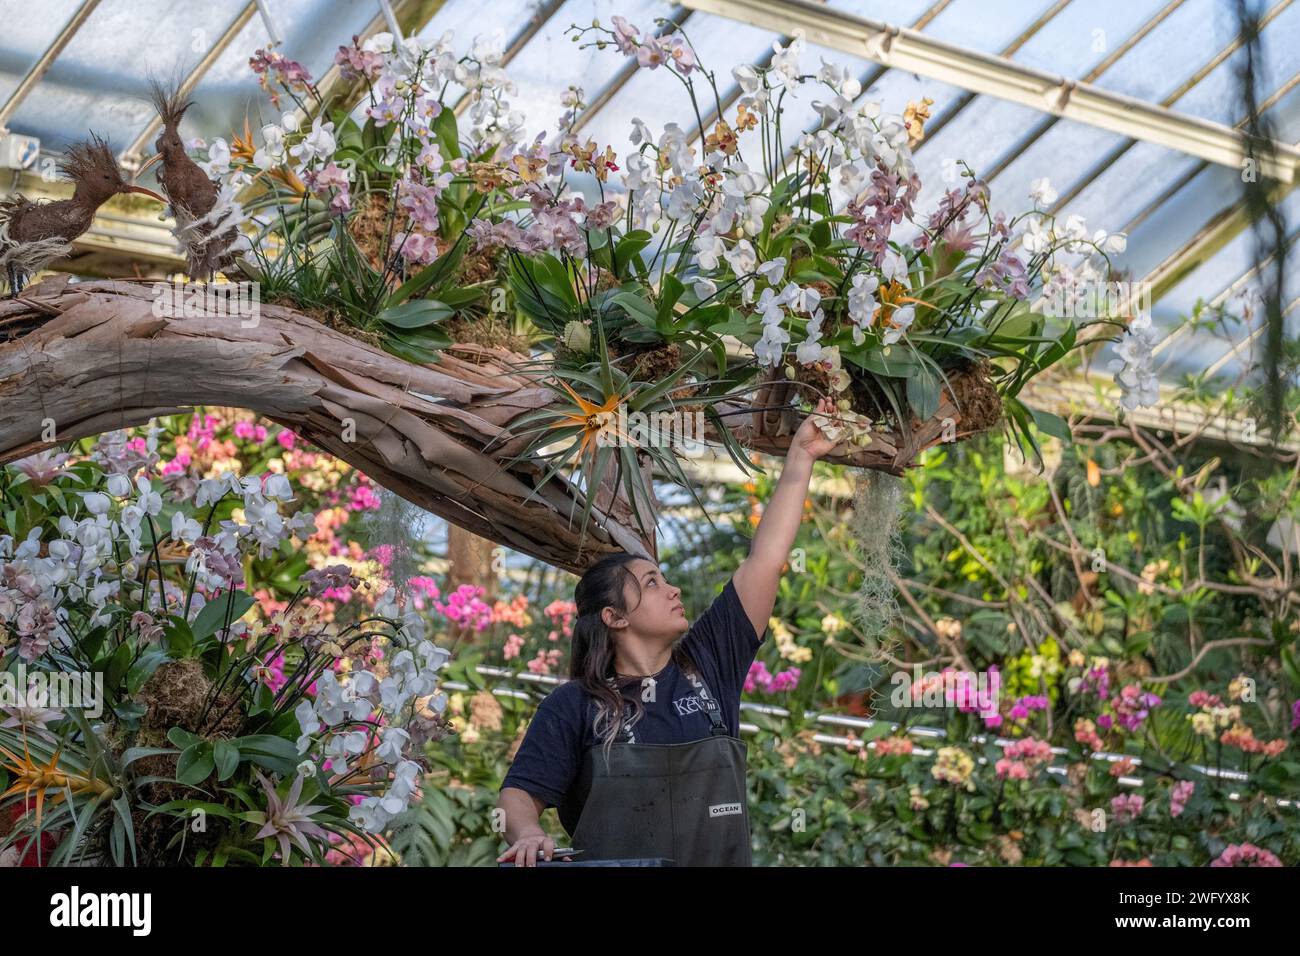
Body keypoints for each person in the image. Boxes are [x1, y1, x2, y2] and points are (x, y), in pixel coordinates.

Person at [496, 398, 843, 866]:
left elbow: (766, 559)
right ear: (614, 617)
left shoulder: (711, 663)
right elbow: (520, 793)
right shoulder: (573, 707)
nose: (674, 589)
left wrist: (801, 457)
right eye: (652, 583)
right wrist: (527, 833)